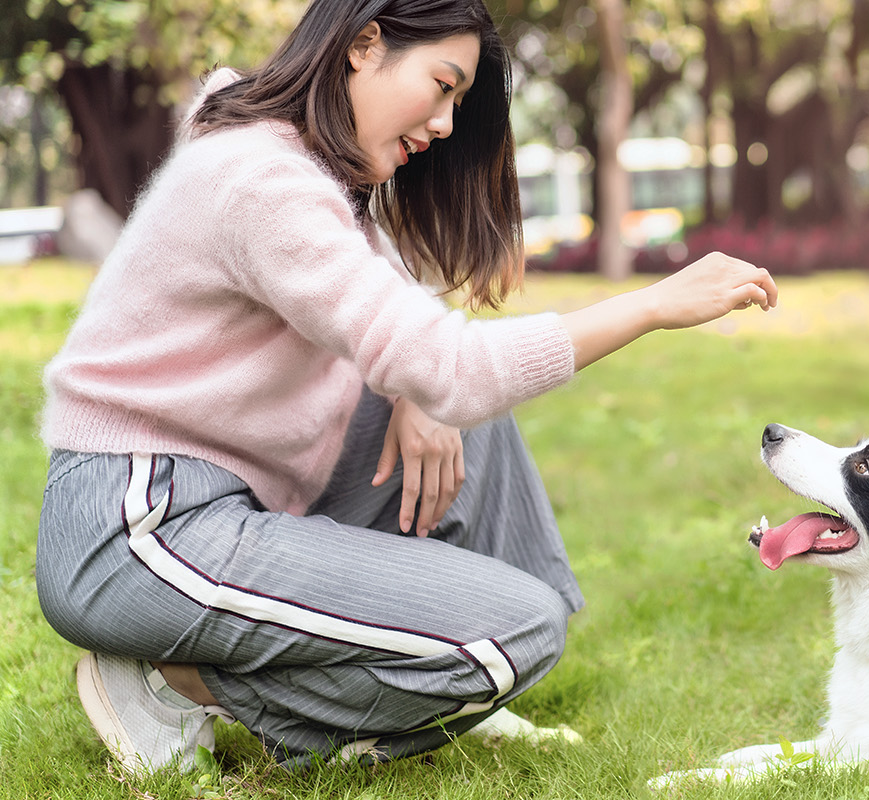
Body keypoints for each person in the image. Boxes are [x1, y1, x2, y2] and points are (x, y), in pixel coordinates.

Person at [34, 0, 777, 774]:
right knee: (519, 628)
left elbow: (407, 332)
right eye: (443, 86)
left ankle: (455, 686)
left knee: (466, 429)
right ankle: (172, 680)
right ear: (363, 46)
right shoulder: (259, 178)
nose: (448, 124)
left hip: (224, 504)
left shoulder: (298, 158)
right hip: (138, 530)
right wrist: (652, 305)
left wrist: (415, 393)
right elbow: (451, 364)